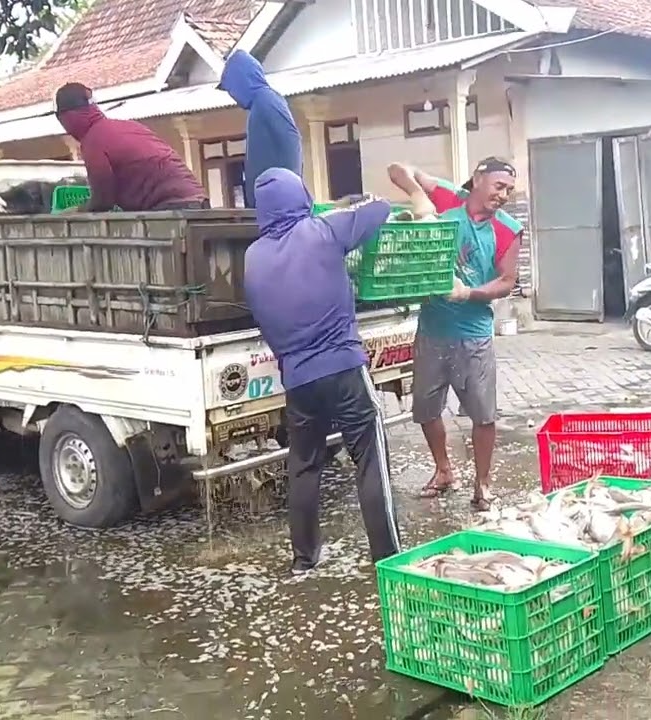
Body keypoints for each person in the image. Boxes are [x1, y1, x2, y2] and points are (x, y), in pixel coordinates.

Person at [243, 167, 401, 573]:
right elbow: (381, 209)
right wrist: (348, 205)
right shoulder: (322, 231)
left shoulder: (253, 256)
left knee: (304, 464)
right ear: (302, 197)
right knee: (368, 453)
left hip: (297, 379)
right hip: (343, 366)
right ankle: (388, 556)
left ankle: (303, 559)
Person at [386, 157, 523, 512]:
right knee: (426, 410)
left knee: (483, 415)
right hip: (431, 330)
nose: (503, 195)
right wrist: (418, 193)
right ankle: (444, 470)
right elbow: (398, 169)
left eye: (508, 189)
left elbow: (508, 282)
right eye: (498, 186)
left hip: (474, 335)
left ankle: (483, 483)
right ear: (477, 180)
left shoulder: (507, 229)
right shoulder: (447, 200)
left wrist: (468, 293)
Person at [53, 83, 208, 212]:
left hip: (170, 209)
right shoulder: (130, 126)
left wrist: (76, 212)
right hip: (200, 202)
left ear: (66, 118)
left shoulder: (93, 142)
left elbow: (103, 201)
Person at [218, 50, 303, 208]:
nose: (232, 95)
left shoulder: (267, 100)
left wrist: (288, 190)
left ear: (241, 81)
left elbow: (291, 140)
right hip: (266, 203)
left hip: (279, 202)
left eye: (231, 88)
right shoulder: (258, 105)